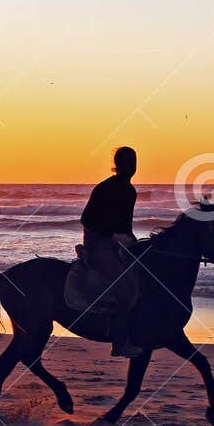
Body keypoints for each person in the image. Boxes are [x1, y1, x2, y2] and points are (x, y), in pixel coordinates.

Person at [81, 146, 142, 357]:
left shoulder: (130, 191)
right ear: (117, 164)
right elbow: (86, 219)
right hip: (98, 244)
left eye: (134, 161)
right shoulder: (105, 188)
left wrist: (134, 241)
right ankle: (119, 342)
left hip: (120, 243)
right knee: (124, 282)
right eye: (127, 162)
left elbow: (126, 225)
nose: (132, 166)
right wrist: (112, 236)